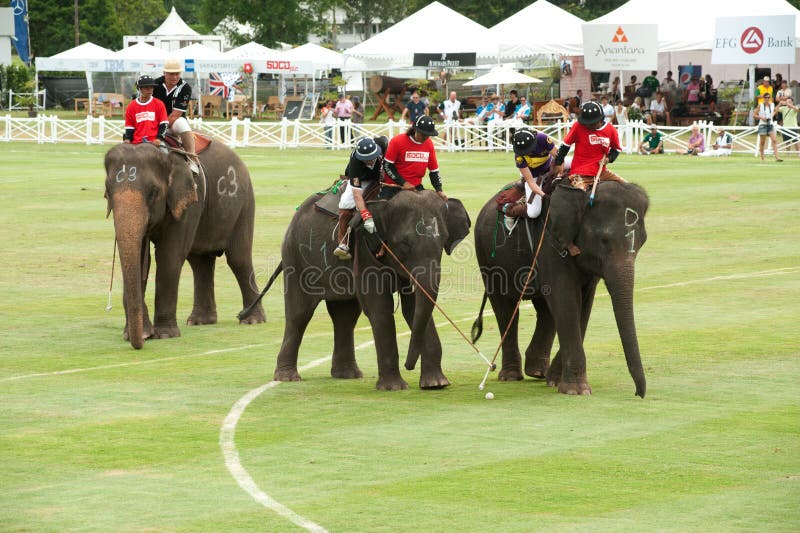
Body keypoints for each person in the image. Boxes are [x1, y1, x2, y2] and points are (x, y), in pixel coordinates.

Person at [551, 101, 624, 256]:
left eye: (592, 123)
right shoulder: (578, 126)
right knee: (579, 200)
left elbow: (616, 149)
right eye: (587, 123)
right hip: (580, 173)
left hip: (601, 171)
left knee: (628, 190)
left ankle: (623, 228)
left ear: (601, 119)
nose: (588, 126)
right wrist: (558, 163)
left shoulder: (610, 130)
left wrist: (609, 159)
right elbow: (565, 146)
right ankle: (568, 240)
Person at [333, 136, 388, 259]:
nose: (370, 161)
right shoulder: (355, 161)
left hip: (380, 178)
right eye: (366, 160)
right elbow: (357, 194)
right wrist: (366, 215)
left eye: (372, 158)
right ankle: (343, 243)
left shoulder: (383, 145)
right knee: (345, 202)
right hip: (361, 179)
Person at [380, 115, 447, 201]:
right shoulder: (397, 141)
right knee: (383, 208)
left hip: (416, 188)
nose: (425, 138)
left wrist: (439, 190)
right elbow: (387, 165)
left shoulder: (429, 144)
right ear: (415, 130)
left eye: (428, 135)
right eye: (423, 134)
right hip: (393, 187)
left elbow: (434, 171)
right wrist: (404, 183)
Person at [500, 129, 555, 232]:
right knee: (533, 212)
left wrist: (558, 171)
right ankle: (511, 210)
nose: (528, 152)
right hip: (533, 175)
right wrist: (544, 195)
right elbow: (531, 182)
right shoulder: (519, 157)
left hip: (550, 165)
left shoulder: (542, 138)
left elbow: (558, 156)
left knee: (574, 162)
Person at [153, 58, 198, 171]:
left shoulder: (185, 87)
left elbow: (175, 115)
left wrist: (160, 129)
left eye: (177, 74)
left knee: (182, 123)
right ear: (164, 73)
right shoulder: (154, 84)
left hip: (173, 122)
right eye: (171, 74)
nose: (174, 77)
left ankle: (192, 158)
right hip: (154, 121)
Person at [123, 75, 168, 146]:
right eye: (146, 87)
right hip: (136, 142)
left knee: (164, 151)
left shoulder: (159, 104)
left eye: (151, 87)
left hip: (155, 142)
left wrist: (159, 139)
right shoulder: (131, 106)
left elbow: (164, 124)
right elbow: (129, 127)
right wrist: (128, 139)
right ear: (139, 89)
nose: (150, 90)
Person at [755, 92, 783, 162]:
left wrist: (771, 116)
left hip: (770, 124)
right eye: (766, 97)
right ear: (763, 98)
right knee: (762, 142)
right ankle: (762, 158)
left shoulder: (772, 105)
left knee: (774, 140)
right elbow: (754, 114)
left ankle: (777, 157)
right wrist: (761, 117)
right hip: (762, 125)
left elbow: (775, 111)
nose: (767, 99)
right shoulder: (760, 105)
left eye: (768, 97)